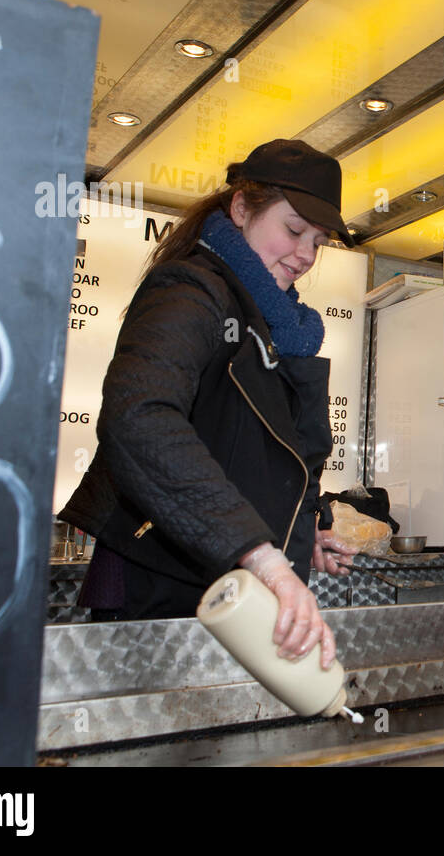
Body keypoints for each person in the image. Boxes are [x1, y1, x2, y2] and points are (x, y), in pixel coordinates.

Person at [60, 139, 357, 668]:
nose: (306, 256)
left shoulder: (279, 326)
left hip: (233, 588)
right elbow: (140, 417)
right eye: (293, 230)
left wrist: (302, 525)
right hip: (163, 582)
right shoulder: (189, 290)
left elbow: (263, 452)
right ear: (241, 208)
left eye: (319, 241)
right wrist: (261, 555)